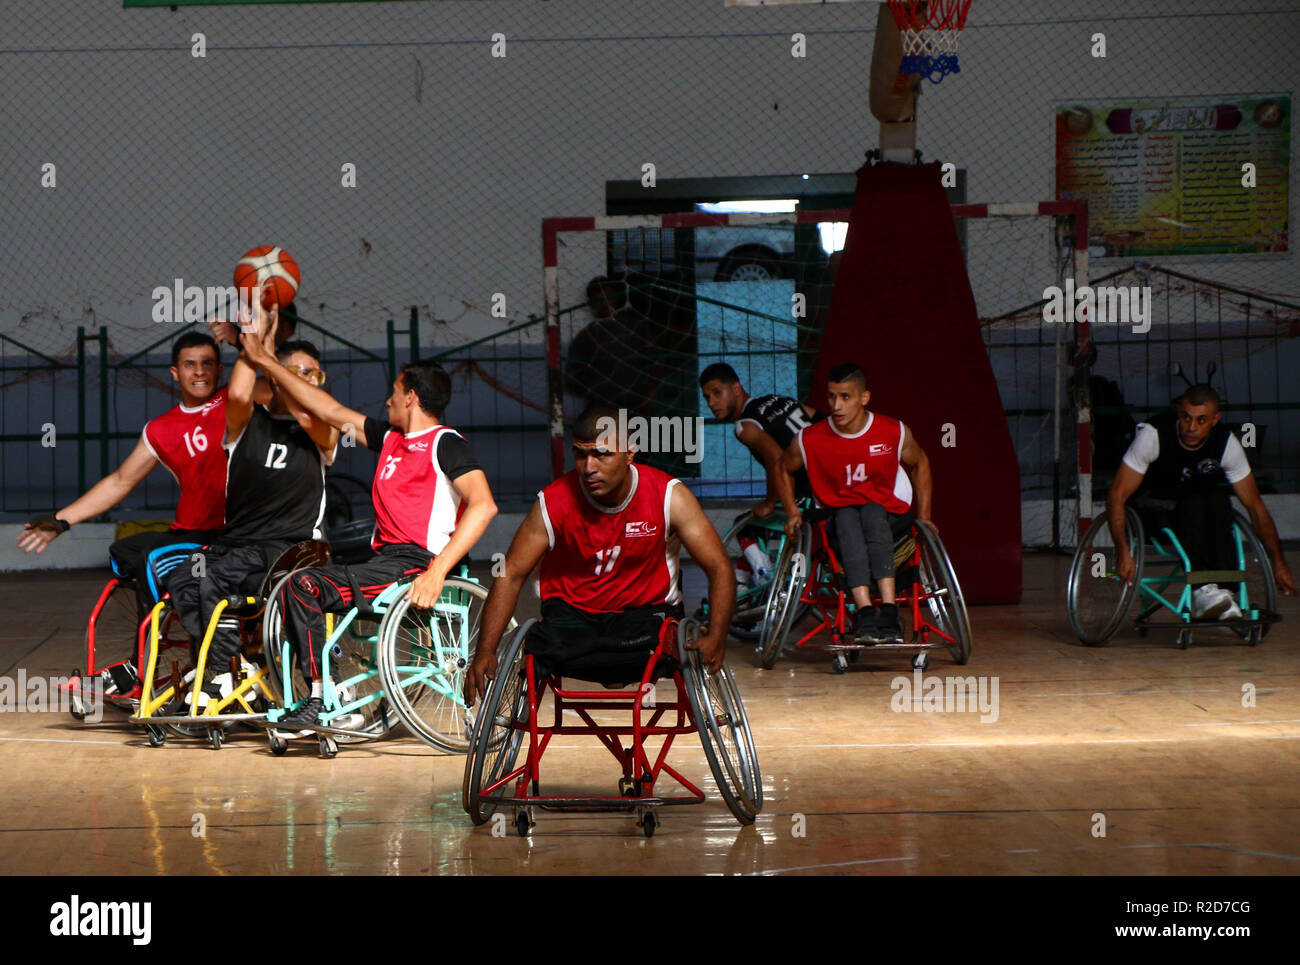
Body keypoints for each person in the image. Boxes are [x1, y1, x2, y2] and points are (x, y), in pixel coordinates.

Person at [238, 331, 498, 728]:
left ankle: (325, 696)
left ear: (411, 396)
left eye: (394, 392)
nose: (387, 400)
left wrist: (437, 571)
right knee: (291, 583)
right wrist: (268, 363)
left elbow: (484, 505)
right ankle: (328, 692)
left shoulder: (446, 443)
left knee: (301, 586)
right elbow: (327, 409)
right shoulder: (391, 439)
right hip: (384, 561)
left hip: (416, 563)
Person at [464, 404, 735, 709]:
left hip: (646, 622)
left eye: (602, 454)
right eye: (581, 454)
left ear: (629, 453)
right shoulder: (553, 502)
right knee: (536, 642)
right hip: (573, 623)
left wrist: (717, 635)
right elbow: (510, 574)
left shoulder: (669, 496)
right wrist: (485, 650)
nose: (589, 466)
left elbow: (719, 567)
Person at [17, 331, 230, 695]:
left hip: (227, 534)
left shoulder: (235, 401)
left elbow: (266, 378)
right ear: (175, 372)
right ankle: (177, 627)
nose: (199, 372)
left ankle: (140, 668)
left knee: (150, 559)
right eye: (190, 365)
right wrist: (61, 520)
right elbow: (119, 481)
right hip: (189, 533)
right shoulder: (160, 430)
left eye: (207, 364)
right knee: (124, 552)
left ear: (219, 370)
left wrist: (252, 332)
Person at [165, 297, 338, 708]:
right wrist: (256, 339)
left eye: (316, 375)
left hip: (294, 549)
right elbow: (241, 390)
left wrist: (278, 367)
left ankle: (225, 673)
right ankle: (225, 664)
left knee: (215, 579)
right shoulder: (245, 422)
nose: (310, 380)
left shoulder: (324, 429)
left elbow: (310, 415)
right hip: (239, 543)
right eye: (301, 372)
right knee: (184, 578)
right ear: (278, 375)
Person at [1107, 384, 1295, 617]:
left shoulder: (1226, 444)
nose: (1191, 427)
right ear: (1179, 412)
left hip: (1199, 512)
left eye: (1201, 420)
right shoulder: (1153, 435)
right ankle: (1203, 589)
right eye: (1186, 418)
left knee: (1218, 500)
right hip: (1153, 513)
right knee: (1195, 503)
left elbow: (1255, 507)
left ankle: (1224, 590)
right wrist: (1122, 551)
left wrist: (1278, 563)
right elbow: (1117, 494)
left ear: (1216, 419)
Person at [779, 363, 933, 645]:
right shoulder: (810, 439)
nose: (836, 405)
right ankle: (864, 611)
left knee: (873, 511)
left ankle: (888, 611)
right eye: (831, 397)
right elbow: (783, 468)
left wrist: (924, 516)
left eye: (845, 397)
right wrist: (791, 512)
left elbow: (921, 463)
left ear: (864, 398)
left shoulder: (892, 431)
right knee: (848, 517)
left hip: (886, 514)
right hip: (839, 517)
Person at [699, 361, 817, 587]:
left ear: (736, 389)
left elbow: (776, 461)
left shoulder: (744, 426)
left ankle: (763, 574)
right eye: (707, 397)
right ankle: (742, 583)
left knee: (745, 524)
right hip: (823, 487)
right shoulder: (781, 400)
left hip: (803, 496)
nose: (712, 403)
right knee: (757, 525)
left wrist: (770, 501)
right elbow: (820, 420)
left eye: (717, 393)